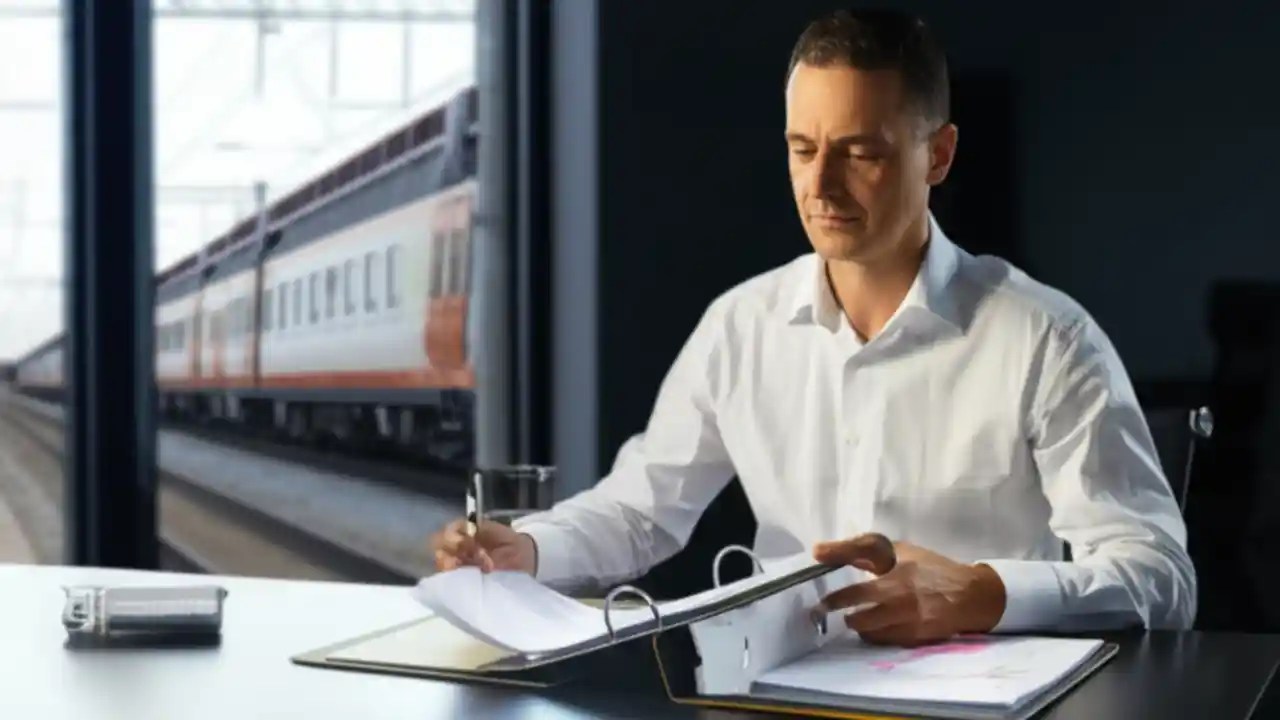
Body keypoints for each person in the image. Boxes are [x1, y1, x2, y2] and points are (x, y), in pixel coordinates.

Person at [431, 8, 1196, 646]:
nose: (820, 185)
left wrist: (982, 592)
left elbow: (1159, 573)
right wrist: (527, 548)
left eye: (860, 152)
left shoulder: (1046, 339)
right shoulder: (740, 326)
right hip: (770, 690)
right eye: (803, 149)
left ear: (940, 155)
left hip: (978, 698)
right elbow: (641, 509)